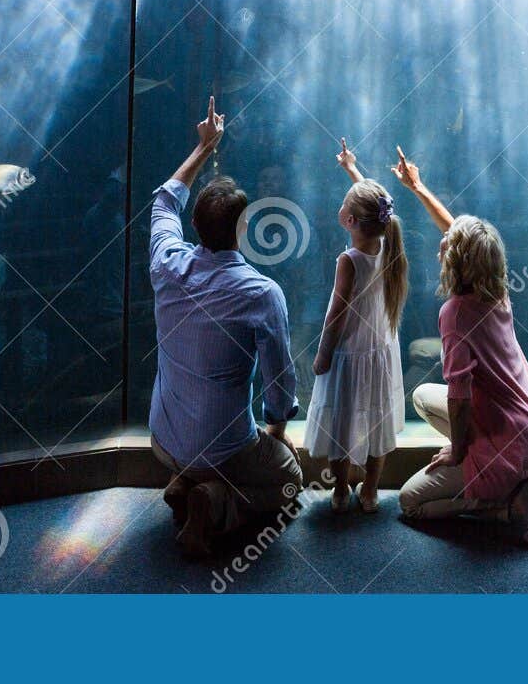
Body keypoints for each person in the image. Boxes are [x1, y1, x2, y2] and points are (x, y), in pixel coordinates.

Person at [148, 97, 302, 558]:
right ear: (244, 227)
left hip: (162, 440)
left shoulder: (166, 264)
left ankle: (184, 479)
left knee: (200, 444)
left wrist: (204, 147)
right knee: (292, 482)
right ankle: (216, 504)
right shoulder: (262, 293)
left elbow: (164, 201)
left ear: (193, 224)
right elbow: (279, 381)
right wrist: (276, 430)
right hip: (226, 450)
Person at [390, 147, 528, 544]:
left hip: (510, 450)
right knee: (423, 396)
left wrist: (458, 452)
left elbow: (460, 400)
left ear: (459, 262)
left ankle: (501, 504)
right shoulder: (497, 291)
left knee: (410, 502)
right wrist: (417, 187)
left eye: (447, 245)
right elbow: (461, 235)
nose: (441, 244)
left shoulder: (456, 313)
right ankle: (505, 481)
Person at [303, 139, 408, 514]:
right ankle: (371, 490)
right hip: (379, 348)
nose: (342, 205)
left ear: (349, 220)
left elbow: (336, 314)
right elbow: (376, 205)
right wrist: (352, 169)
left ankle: (339, 489)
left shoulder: (348, 259)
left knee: (341, 421)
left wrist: (322, 354)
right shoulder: (386, 242)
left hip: (349, 352)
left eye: (345, 203)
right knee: (377, 419)